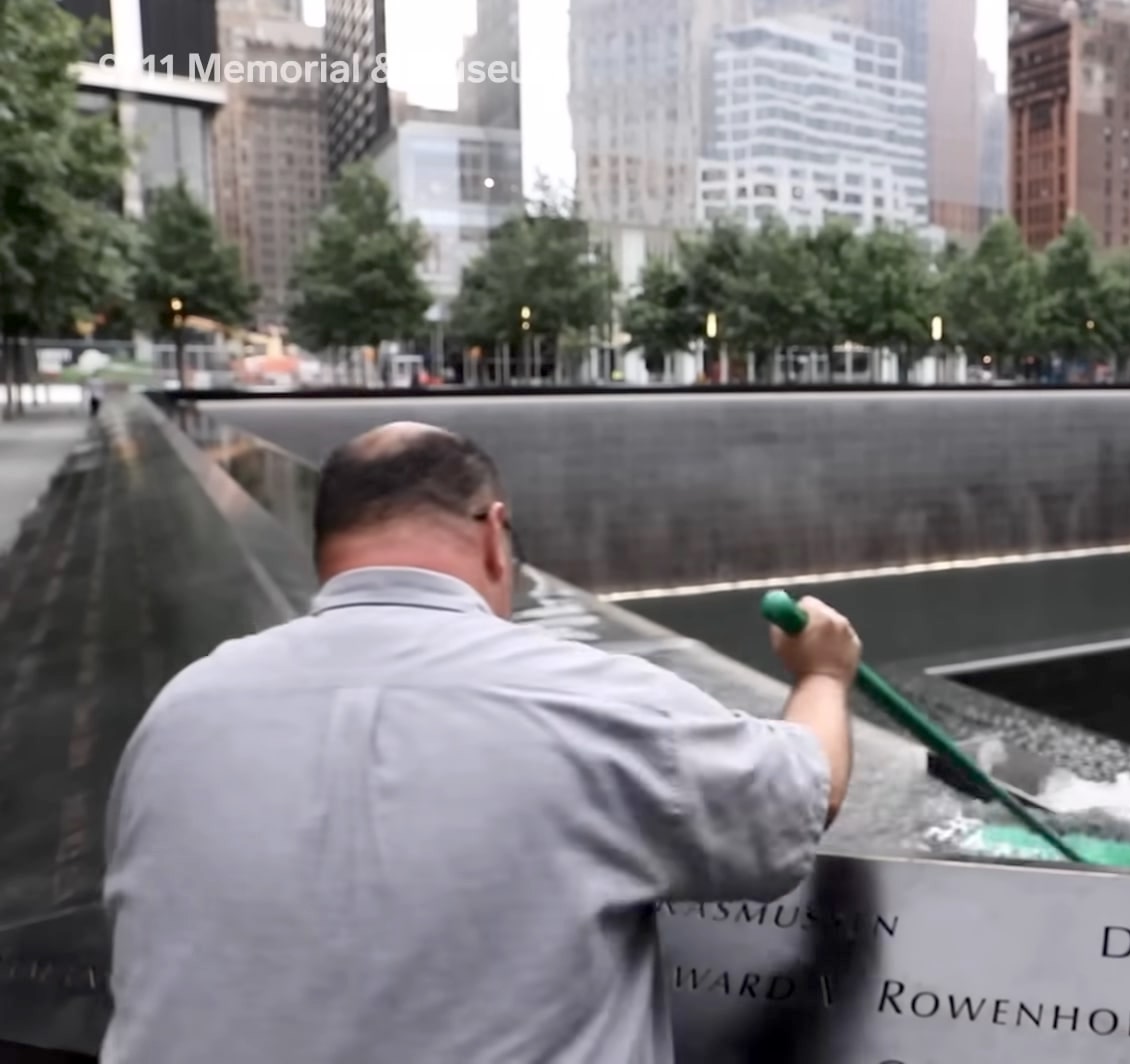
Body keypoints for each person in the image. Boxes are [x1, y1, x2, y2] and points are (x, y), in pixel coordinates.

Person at [102, 422, 859, 1064]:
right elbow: (805, 792)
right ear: (495, 536)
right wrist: (822, 674)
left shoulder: (182, 711)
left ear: (325, 550)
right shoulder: (597, 700)